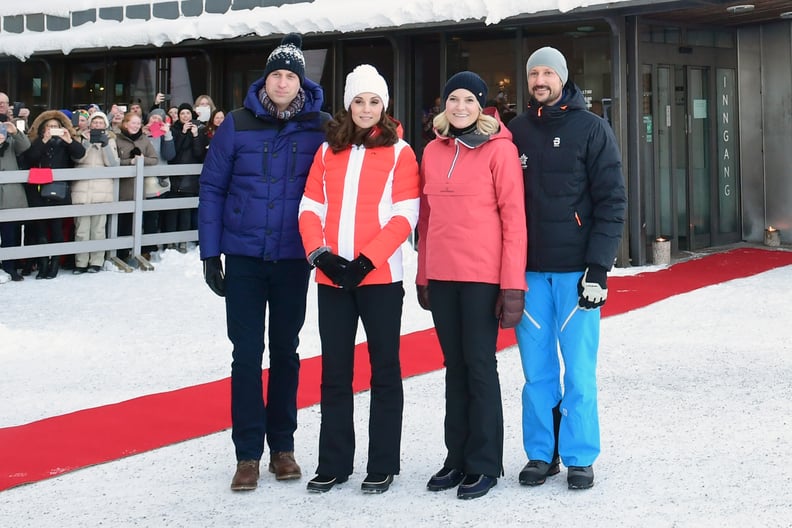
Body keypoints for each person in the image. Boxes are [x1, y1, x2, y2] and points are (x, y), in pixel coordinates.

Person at [198, 32, 329, 492]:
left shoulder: (321, 126)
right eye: (275, 74)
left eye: (290, 75)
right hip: (245, 257)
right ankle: (248, 454)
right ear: (266, 79)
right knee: (246, 354)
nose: (281, 82)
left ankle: (284, 448)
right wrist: (210, 251)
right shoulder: (237, 123)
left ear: (300, 81)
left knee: (287, 353)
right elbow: (213, 187)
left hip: (294, 257)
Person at [507, 47, 626, 491]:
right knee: (537, 372)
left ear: (562, 78)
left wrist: (599, 268)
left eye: (547, 73)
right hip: (530, 275)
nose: (540, 79)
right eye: (533, 72)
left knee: (578, 370)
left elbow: (612, 201)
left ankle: (579, 455)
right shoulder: (515, 131)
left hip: (577, 273)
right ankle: (541, 454)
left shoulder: (592, 129)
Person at [298, 64, 420, 494]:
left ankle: (382, 462)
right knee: (335, 371)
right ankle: (333, 463)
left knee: (384, 369)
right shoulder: (327, 151)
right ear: (348, 105)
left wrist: (365, 262)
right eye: (358, 100)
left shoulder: (401, 152)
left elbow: (406, 215)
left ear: (383, 107)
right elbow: (309, 207)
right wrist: (323, 257)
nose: (366, 108)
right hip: (332, 280)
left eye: (374, 101)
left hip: (380, 279)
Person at [416, 71, 527, 500]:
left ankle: (484, 463)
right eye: (453, 99)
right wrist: (424, 274)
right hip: (442, 276)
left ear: (482, 105)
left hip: (483, 276)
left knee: (480, 367)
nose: (460, 107)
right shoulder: (432, 150)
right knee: (453, 367)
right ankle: (455, 457)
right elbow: (426, 222)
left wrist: (511, 284)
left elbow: (514, 221)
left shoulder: (501, 152)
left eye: (468, 100)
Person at [23, 110, 86, 279]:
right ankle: (43, 264)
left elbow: (80, 154)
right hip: (38, 192)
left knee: (57, 228)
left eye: (56, 126)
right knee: (41, 229)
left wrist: (69, 140)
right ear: (43, 129)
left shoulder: (66, 143)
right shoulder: (36, 142)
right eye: (49, 126)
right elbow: (30, 158)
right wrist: (44, 141)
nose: (52, 129)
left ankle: (55, 264)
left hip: (58, 191)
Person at [71, 111, 120, 273]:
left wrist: (105, 145)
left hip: (102, 189)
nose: (97, 125)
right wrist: (86, 143)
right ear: (90, 125)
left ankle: (96, 261)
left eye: (100, 123)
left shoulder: (111, 140)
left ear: (105, 126)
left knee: (99, 229)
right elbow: (77, 159)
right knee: (81, 229)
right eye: (95, 122)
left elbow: (113, 164)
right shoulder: (80, 138)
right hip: (82, 189)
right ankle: (81, 262)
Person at [165, 102, 207, 252]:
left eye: (187, 113)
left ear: (192, 114)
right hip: (175, 174)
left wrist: (195, 135)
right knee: (172, 209)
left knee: (185, 211)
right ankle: (170, 241)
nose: (185, 116)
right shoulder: (174, 129)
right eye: (182, 113)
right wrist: (183, 133)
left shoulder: (199, 129)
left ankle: (183, 241)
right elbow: (173, 152)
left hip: (190, 176)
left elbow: (199, 153)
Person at [0, 100, 32, 282]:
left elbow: (26, 147)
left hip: (11, 195)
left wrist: (15, 132)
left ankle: (10, 266)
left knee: (10, 233)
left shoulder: (12, 141)